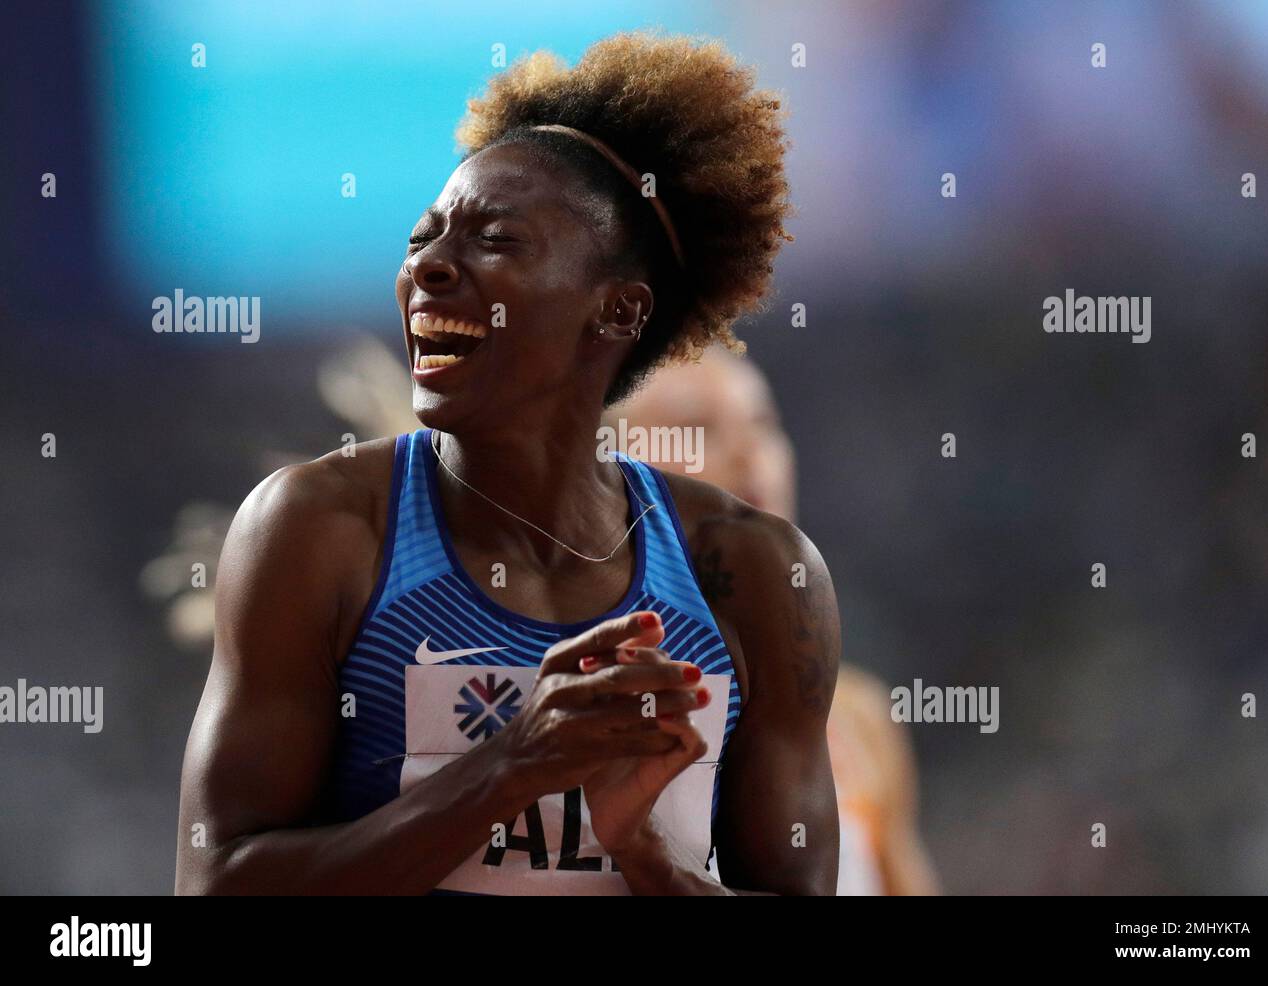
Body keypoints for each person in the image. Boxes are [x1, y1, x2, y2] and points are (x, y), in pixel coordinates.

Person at [175, 30, 841, 895]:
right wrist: (510, 765)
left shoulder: (754, 573)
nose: (430, 267)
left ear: (617, 312)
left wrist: (649, 858)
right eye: (424, 236)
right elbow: (212, 883)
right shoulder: (320, 528)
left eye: (494, 238)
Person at [607, 346, 940, 894]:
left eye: (762, 422)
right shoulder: (573, 700)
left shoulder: (855, 719)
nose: (747, 452)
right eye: (697, 426)